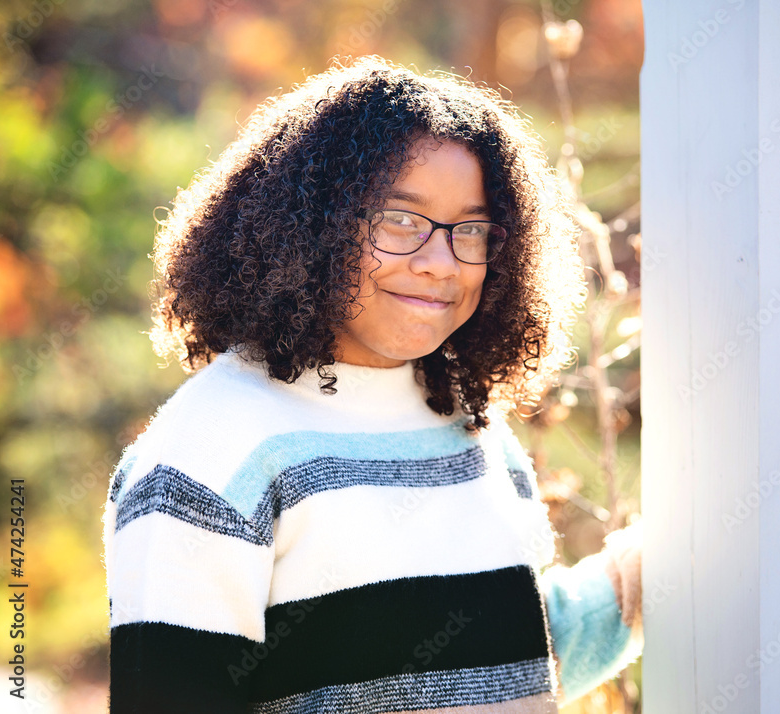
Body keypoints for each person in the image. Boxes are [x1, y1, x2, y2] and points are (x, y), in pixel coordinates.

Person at [104, 56, 643, 714]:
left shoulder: (467, 424)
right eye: (400, 221)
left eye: (469, 230)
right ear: (309, 225)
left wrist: (652, 567)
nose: (441, 263)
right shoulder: (210, 453)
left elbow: (510, 659)